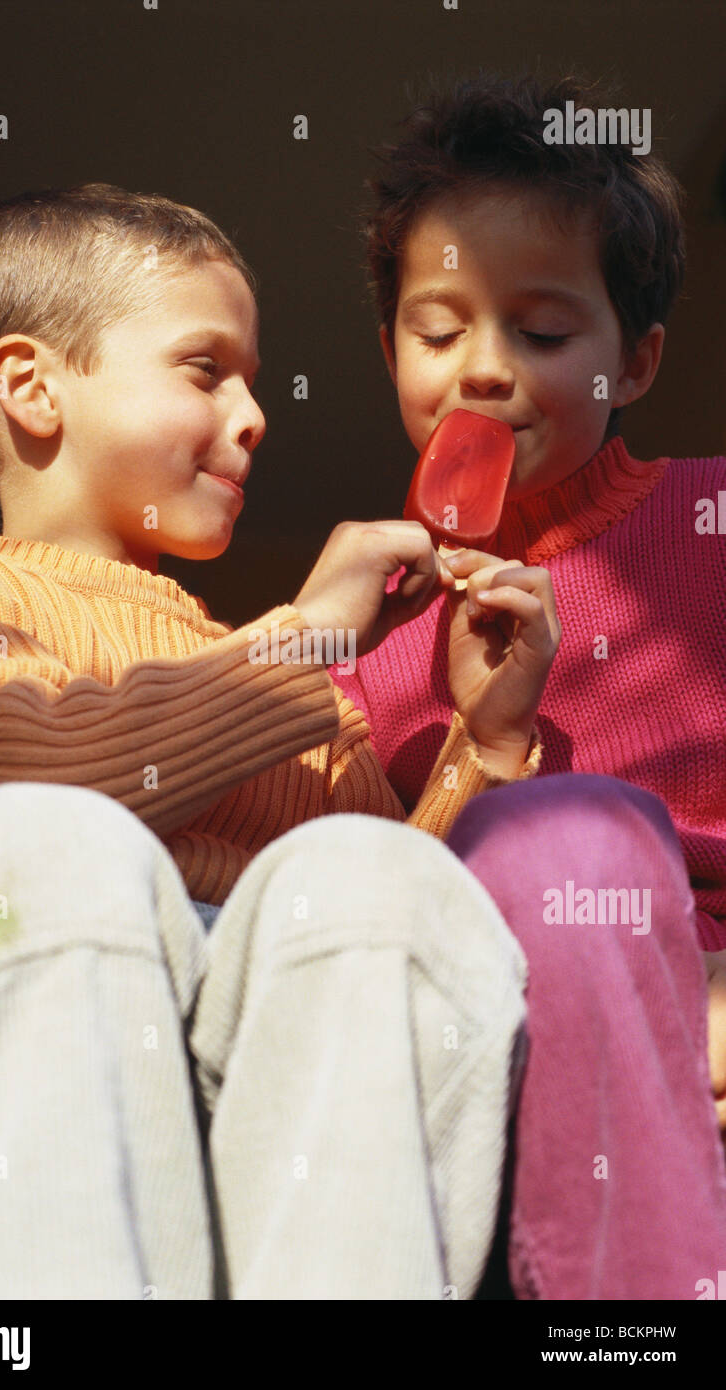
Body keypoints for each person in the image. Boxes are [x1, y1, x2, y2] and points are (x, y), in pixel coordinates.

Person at [0, 182, 561, 1300]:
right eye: (205, 371)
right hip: (43, 1084)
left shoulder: (305, 702)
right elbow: (3, 776)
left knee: (367, 873)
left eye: (250, 379)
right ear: (29, 384)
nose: (254, 415)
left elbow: (403, 966)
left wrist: (483, 743)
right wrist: (299, 644)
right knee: (52, 846)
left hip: (264, 1114)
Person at [329, 72, 726, 1294]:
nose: (482, 373)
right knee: (549, 836)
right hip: (474, 1084)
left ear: (638, 361)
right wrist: (468, 747)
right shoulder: (354, 626)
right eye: (438, 331)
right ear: (386, 348)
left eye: (543, 335)